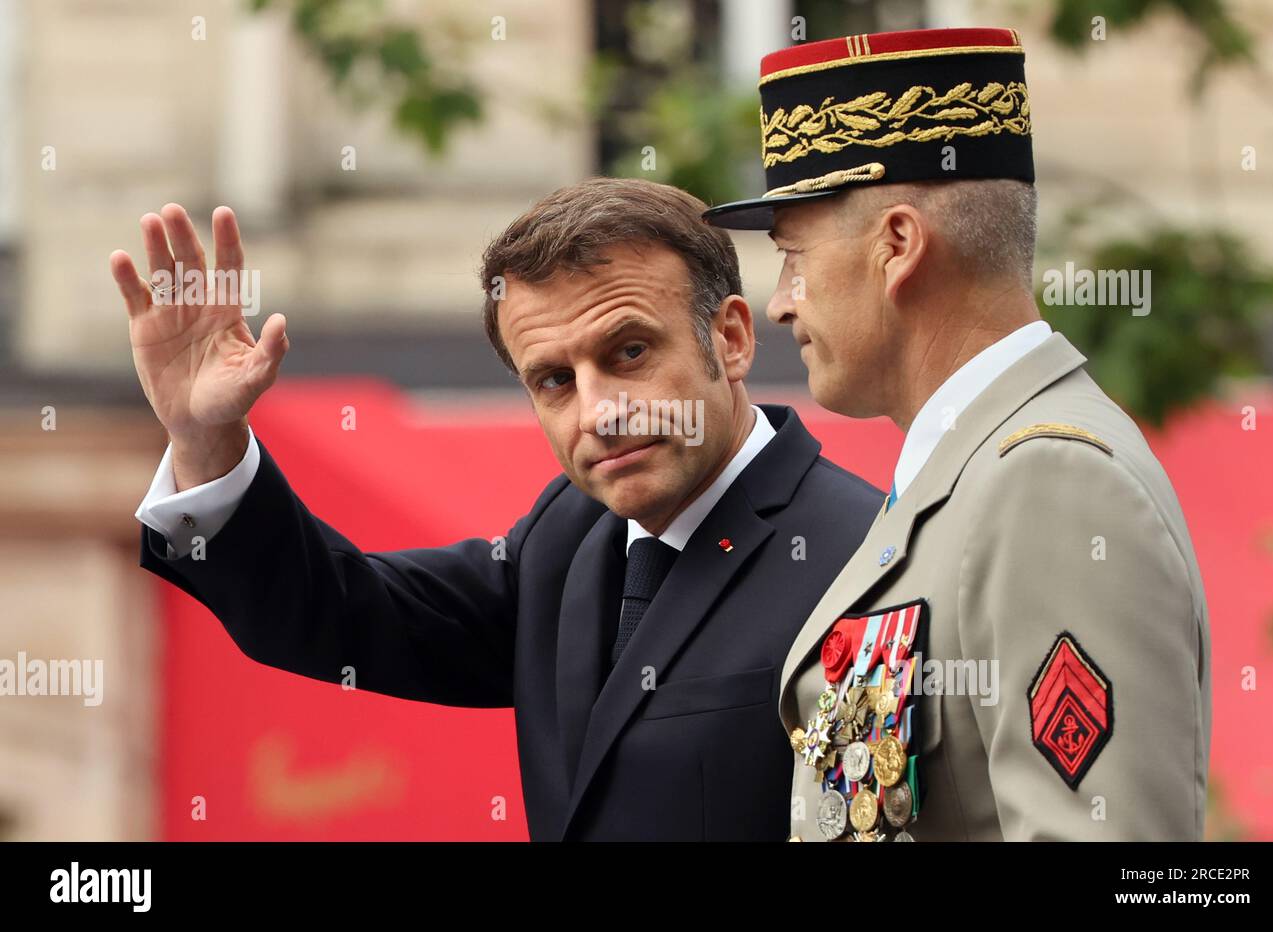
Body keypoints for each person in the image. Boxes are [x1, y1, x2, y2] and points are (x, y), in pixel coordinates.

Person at [109, 178, 885, 841]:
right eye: (553, 380)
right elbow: (338, 613)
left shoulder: (865, 557)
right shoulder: (570, 538)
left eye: (630, 353)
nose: (599, 412)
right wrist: (207, 439)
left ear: (732, 338)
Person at [704, 27, 1210, 841]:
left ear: (896, 246)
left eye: (792, 254)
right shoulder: (969, 473)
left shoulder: (1049, 482)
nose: (780, 302)